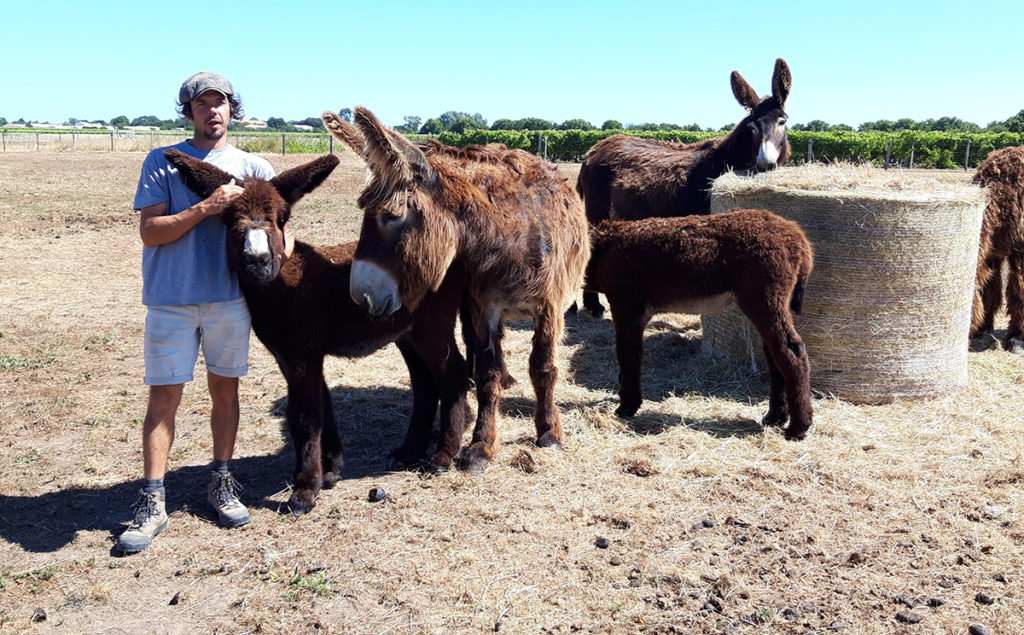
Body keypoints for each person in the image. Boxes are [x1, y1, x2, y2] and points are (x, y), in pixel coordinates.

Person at [117, 72, 276, 553]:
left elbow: (275, 232)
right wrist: (207, 207)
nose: (212, 111)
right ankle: (152, 499)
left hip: (229, 299)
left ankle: (222, 482)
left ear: (232, 110)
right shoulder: (162, 161)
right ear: (188, 111)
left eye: (220, 103)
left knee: (225, 393)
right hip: (171, 298)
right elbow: (152, 232)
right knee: (163, 399)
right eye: (202, 104)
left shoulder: (255, 166)